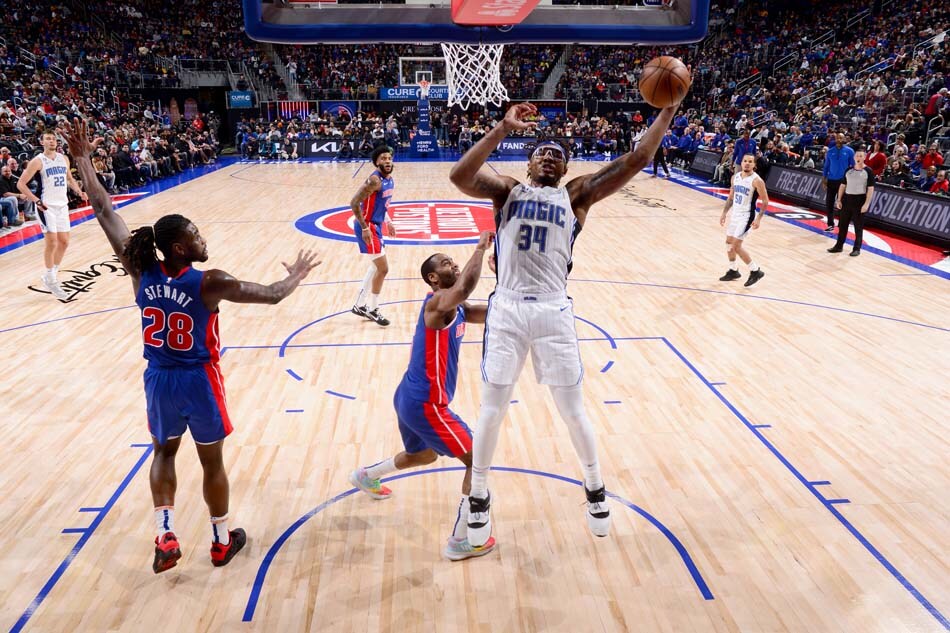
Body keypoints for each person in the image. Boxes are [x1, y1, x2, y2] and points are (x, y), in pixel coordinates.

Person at [61, 117, 321, 574]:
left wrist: (82, 160)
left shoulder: (140, 268)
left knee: (164, 453)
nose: (203, 239)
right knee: (211, 462)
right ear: (180, 248)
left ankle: (165, 533)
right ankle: (221, 541)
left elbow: (104, 210)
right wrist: (295, 276)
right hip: (199, 379)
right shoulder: (210, 281)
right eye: (195, 235)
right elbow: (273, 296)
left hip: (158, 378)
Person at [448, 99, 683, 546]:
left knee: (572, 410)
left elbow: (638, 158)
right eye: (542, 151)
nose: (550, 156)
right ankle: (478, 496)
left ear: (567, 165)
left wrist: (667, 113)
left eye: (558, 152)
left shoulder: (576, 194)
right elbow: (460, 176)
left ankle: (595, 488)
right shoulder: (507, 191)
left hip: (554, 310)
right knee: (492, 410)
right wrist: (502, 127)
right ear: (529, 160)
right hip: (509, 308)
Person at [350, 232, 498, 561]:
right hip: (426, 403)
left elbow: (487, 310)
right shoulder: (437, 305)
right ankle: (464, 540)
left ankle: (366, 476)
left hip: (408, 397)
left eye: (453, 260)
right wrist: (479, 249)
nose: (454, 264)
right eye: (447, 263)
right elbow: (464, 289)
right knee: (477, 460)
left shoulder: (456, 309)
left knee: (424, 456)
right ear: (433, 277)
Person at [17, 130, 88, 300]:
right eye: (48, 139)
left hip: (62, 205)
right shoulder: (37, 161)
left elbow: (70, 179)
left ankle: (50, 276)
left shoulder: (64, 158)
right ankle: (51, 278)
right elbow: (21, 184)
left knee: (64, 242)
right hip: (46, 206)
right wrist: (36, 201)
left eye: (54, 139)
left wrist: (79, 192)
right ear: (41, 142)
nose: (52, 141)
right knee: (52, 241)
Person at [350, 145, 396, 327]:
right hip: (367, 226)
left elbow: (381, 205)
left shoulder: (390, 180)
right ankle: (373, 309)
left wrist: (389, 221)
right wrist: (364, 227)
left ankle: (360, 305)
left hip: (375, 225)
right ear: (377, 162)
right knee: (383, 269)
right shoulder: (374, 181)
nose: (387, 161)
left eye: (389, 158)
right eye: (383, 158)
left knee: (376, 265)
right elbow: (354, 202)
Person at [719, 154, 768, 286]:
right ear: (741, 162)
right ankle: (733, 270)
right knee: (728, 242)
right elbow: (730, 197)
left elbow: (765, 201)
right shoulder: (735, 177)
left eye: (750, 162)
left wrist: (758, 219)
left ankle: (755, 270)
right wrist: (724, 213)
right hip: (735, 214)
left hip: (746, 216)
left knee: (736, 245)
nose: (747, 163)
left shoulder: (757, 180)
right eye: (745, 161)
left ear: (754, 165)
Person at [828, 149, 875, 257]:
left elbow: (871, 189)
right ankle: (839, 246)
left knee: (858, 226)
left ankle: (857, 248)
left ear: (864, 158)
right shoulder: (848, 170)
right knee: (843, 225)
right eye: (857, 156)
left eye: (861, 156)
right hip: (847, 199)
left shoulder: (868, 171)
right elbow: (843, 186)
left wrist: (866, 204)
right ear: (854, 157)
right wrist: (839, 199)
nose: (858, 157)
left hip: (859, 200)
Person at [822, 133, 855, 232]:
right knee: (829, 203)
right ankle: (830, 224)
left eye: (841, 138)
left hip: (843, 182)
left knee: (842, 203)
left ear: (844, 139)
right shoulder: (830, 151)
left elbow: (853, 166)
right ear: (835, 139)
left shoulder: (849, 151)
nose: (839, 139)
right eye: (837, 138)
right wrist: (824, 179)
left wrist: (851, 179)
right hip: (831, 180)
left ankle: (842, 223)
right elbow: (826, 166)